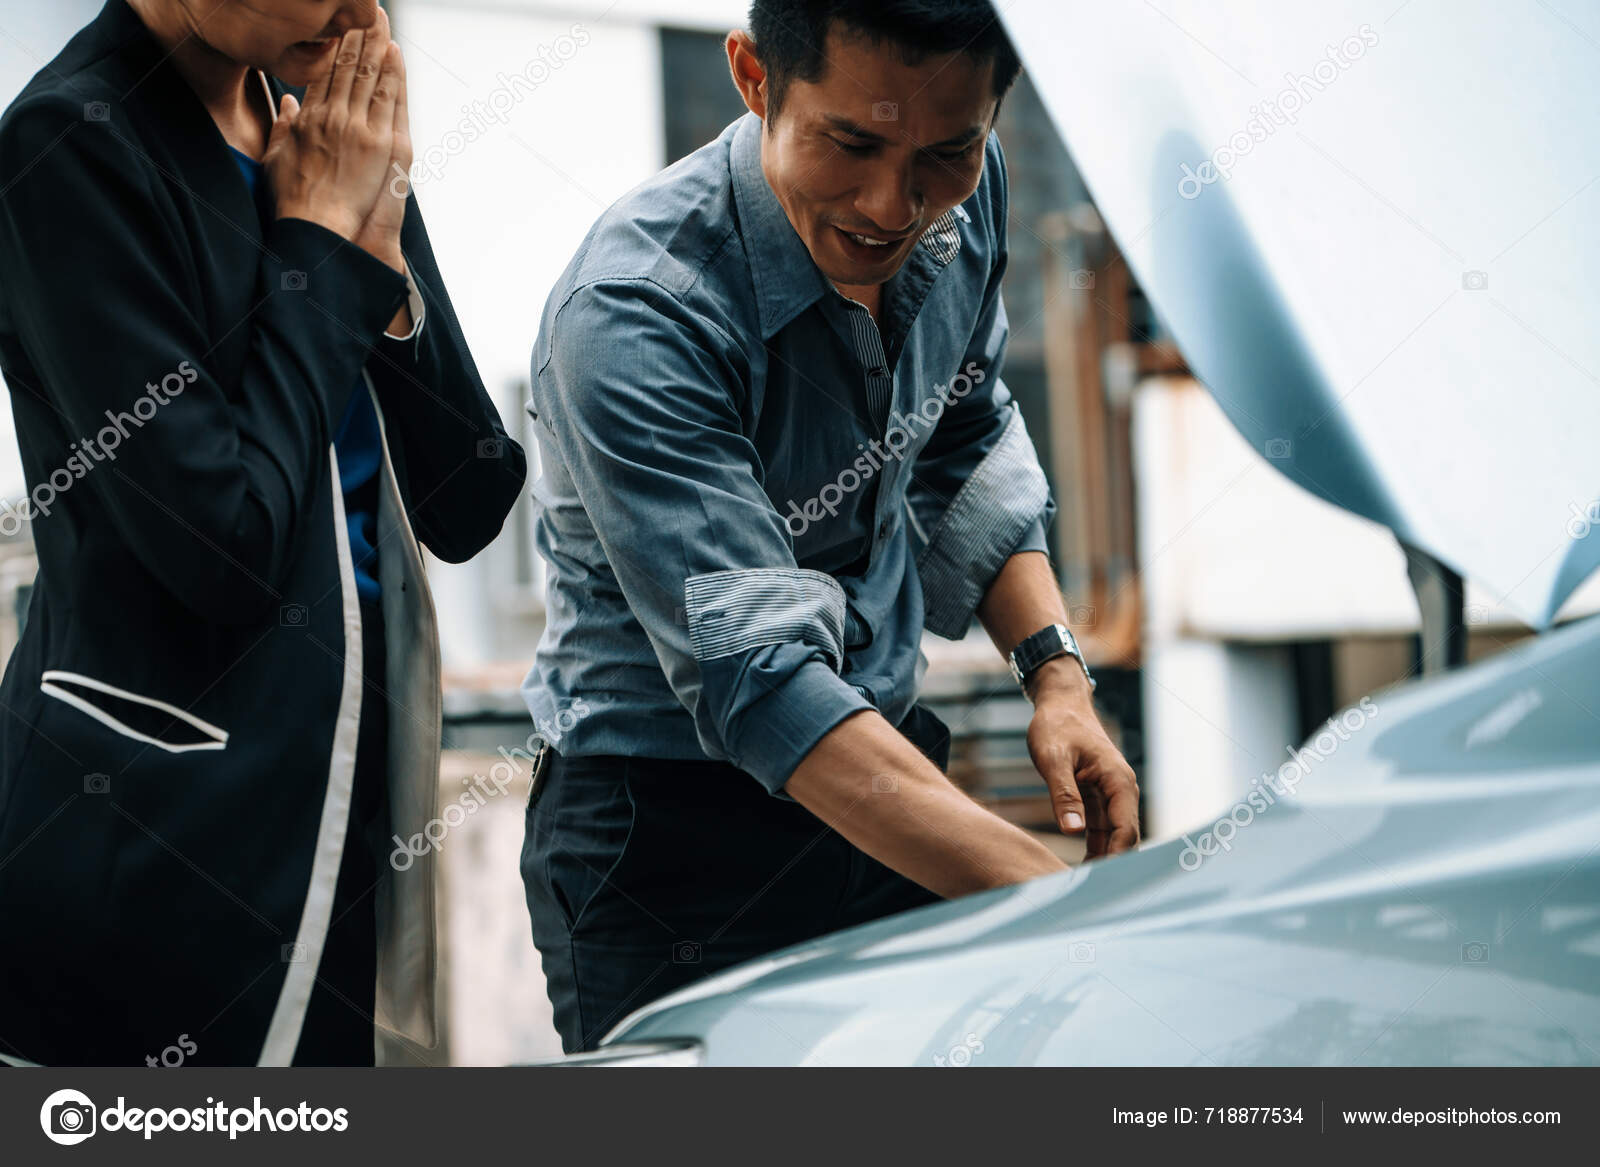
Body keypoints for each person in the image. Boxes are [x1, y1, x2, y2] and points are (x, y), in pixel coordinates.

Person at [520, 0, 1140, 1054]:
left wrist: (1056, 675)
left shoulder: (964, 193)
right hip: (669, 838)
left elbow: (963, 428)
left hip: (893, 782)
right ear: (755, 78)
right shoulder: (634, 311)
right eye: (850, 142)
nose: (892, 205)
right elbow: (762, 682)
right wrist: (1075, 913)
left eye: (946, 150)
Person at [0, 0, 525, 1066]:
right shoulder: (71, 141)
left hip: (351, 793)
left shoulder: (317, 115)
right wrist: (321, 244)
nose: (360, 10)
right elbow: (223, 545)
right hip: (160, 828)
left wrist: (371, 242)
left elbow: (472, 497)